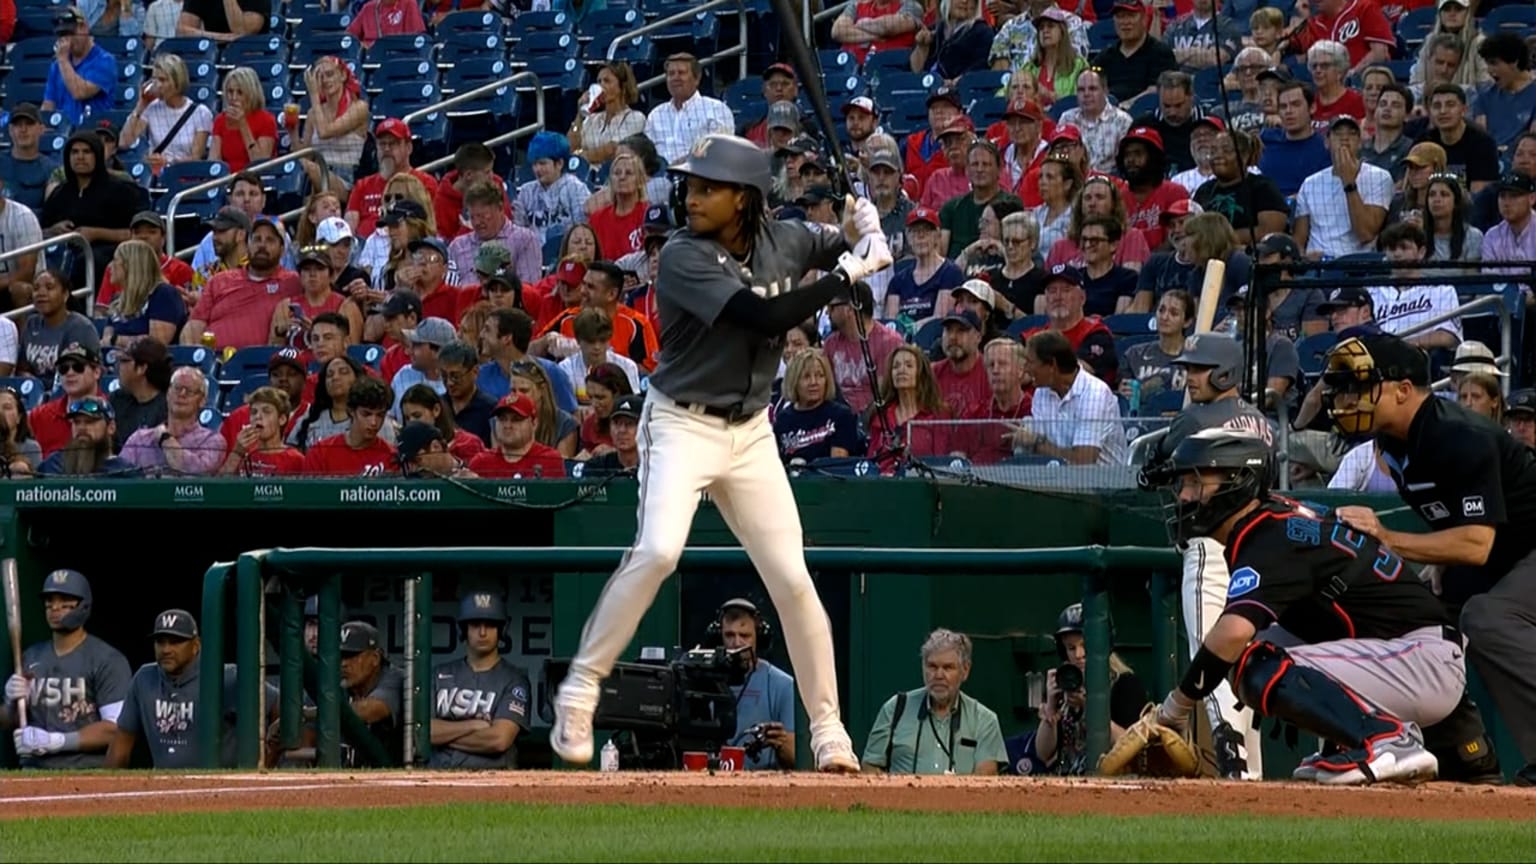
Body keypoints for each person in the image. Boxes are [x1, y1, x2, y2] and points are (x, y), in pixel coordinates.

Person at [550, 134, 891, 774]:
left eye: (710, 188)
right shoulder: (681, 255)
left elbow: (835, 242)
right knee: (656, 552)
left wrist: (860, 227)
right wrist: (848, 272)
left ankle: (829, 731)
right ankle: (581, 689)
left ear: (746, 199)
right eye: (694, 185)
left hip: (752, 431)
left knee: (792, 579)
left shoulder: (782, 239)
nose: (693, 196)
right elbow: (763, 318)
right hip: (680, 423)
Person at [1146, 428, 1464, 786]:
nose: (1185, 495)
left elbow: (1232, 634)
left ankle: (1385, 739)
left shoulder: (1267, 536)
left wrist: (1174, 709)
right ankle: (1353, 740)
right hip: (1401, 651)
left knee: (1254, 663)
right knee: (1255, 651)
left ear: (1238, 481)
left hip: (1420, 658)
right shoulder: (1272, 520)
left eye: (1195, 481)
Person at [1322, 334, 1532, 786]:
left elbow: (1476, 544)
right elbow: (1456, 522)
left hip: (1521, 551)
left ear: (1402, 390)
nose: (1349, 399)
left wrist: (1387, 537)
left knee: (1487, 618)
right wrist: (1435, 560)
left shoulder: (1460, 435)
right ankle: (1466, 755)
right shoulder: (1391, 444)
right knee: (1415, 620)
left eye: (1362, 386)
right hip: (1505, 556)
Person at [105, 609, 277, 769]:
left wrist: (269, 757)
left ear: (196, 645)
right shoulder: (144, 678)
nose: (166, 650)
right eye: (160, 642)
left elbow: (279, 703)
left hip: (219, 787)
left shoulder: (227, 677)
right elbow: (122, 742)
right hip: (164, 786)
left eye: (175, 642)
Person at [2, 569, 131, 769]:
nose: (55, 607)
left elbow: (116, 730)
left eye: (64, 601)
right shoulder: (30, 657)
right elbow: (8, 721)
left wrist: (56, 742)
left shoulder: (107, 659)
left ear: (83, 606)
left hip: (83, 771)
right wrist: (11, 703)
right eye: (50, 601)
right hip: (33, 772)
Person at [1016, 603, 1148, 776]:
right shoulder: (1065, 683)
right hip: (1070, 782)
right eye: (1071, 648)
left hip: (1115, 783)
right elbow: (1043, 753)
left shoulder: (1125, 684)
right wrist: (1050, 710)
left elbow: (1132, 747)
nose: (1078, 654)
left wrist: (1090, 708)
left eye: (1085, 645)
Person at [859, 629, 1007, 775]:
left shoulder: (984, 720)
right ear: (923, 667)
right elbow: (870, 766)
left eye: (948, 667)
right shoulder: (895, 708)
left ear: (965, 670)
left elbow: (985, 781)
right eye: (932, 666)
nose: (939, 675)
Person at [429, 593, 531, 769]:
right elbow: (424, 733)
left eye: (490, 625)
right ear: (464, 629)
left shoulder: (514, 680)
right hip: (439, 776)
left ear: (501, 630)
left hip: (494, 779)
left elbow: (499, 740)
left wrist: (444, 737)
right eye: (475, 625)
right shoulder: (439, 674)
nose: (482, 632)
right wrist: (474, 725)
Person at [710, 599, 796, 770]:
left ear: (759, 638)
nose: (737, 643)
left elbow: (795, 758)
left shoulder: (783, 685)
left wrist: (779, 743)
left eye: (744, 636)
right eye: (729, 635)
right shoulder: (703, 680)